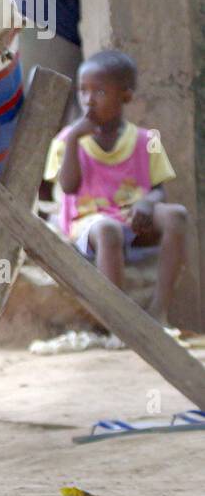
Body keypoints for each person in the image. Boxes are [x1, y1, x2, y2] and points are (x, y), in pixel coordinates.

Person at [44, 50, 188, 329]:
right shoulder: (66, 140)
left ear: (126, 96)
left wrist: (147, 203)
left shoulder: (148, 140)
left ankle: (159, 311)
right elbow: (68, 187)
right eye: (82, 91)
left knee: (176, 215)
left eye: (99, 92)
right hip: (88, 222)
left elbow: (159, 190)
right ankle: (117, 323)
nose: (88, 100)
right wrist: (74, 137)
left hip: (132, 216)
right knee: (108, 229)